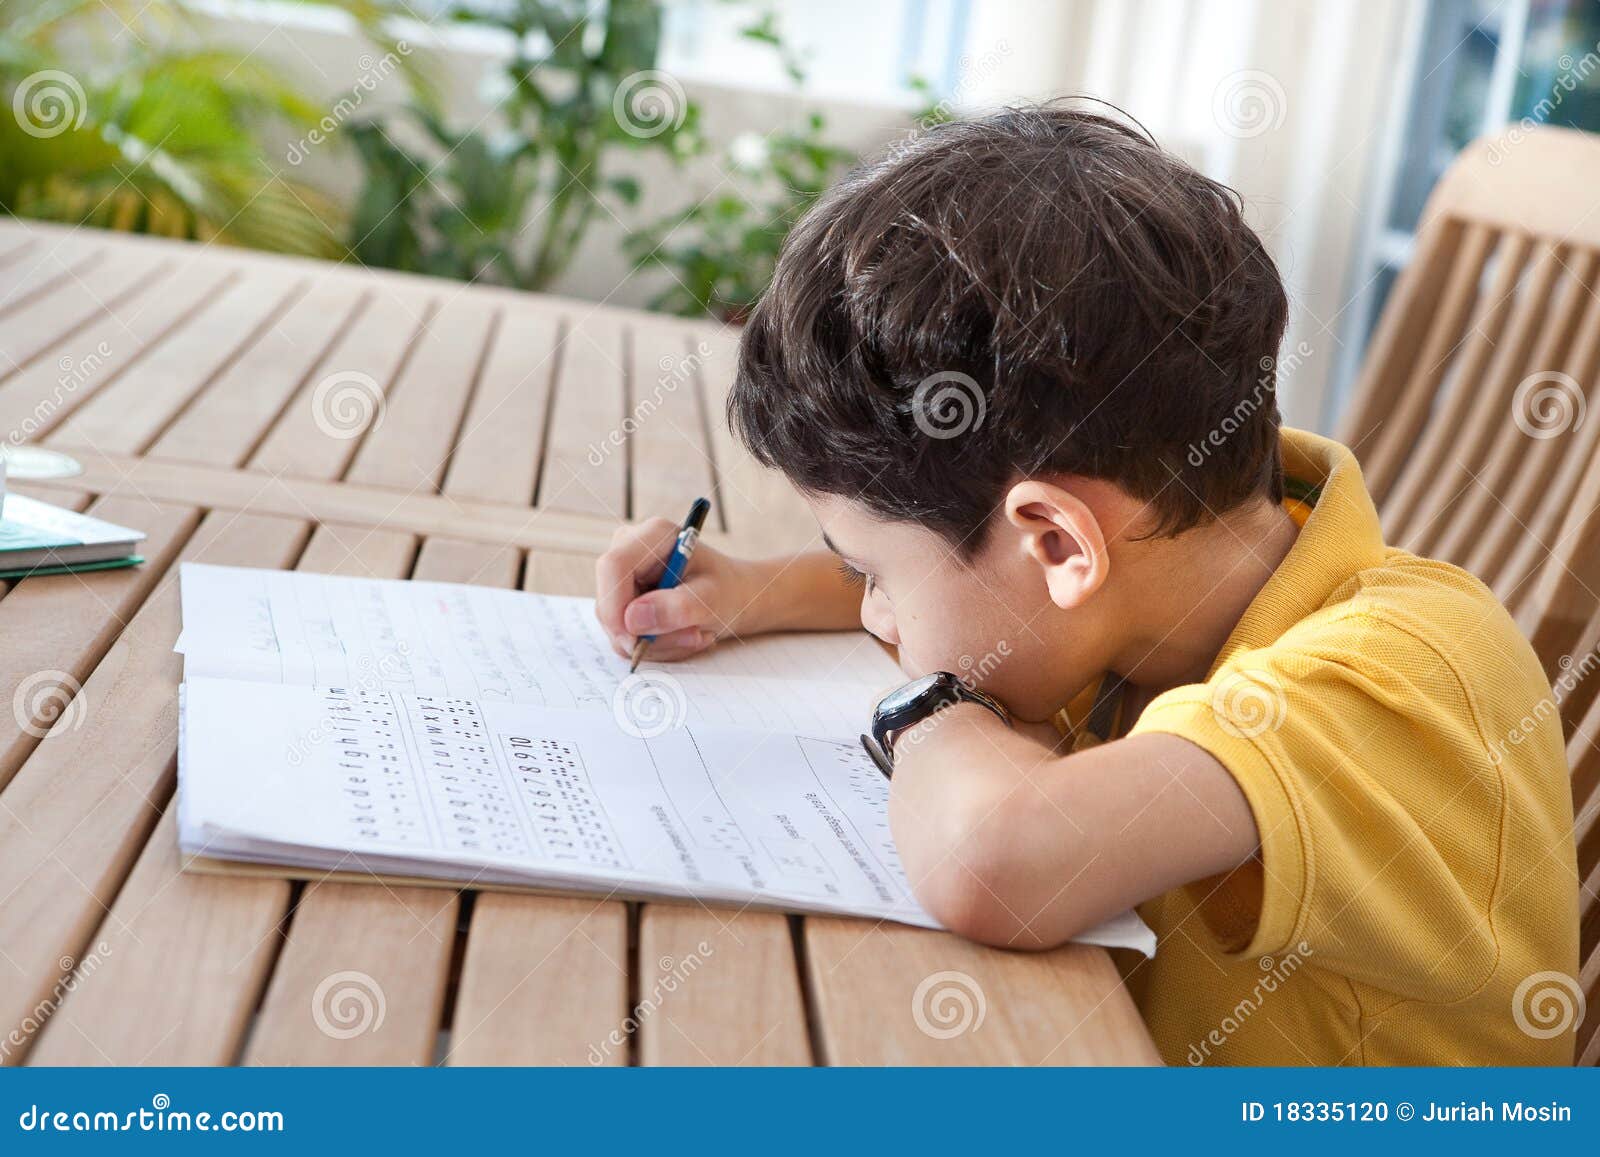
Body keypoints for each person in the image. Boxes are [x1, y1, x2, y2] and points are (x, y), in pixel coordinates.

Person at [594, 106, 1578, 1066]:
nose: (874, 618)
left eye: (873, 575)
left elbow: (995, 863)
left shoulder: (1392, 677)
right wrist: (759, 589)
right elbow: (989, 580)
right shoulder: (1175, 557)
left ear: (1060, 543)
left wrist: (927, 704)